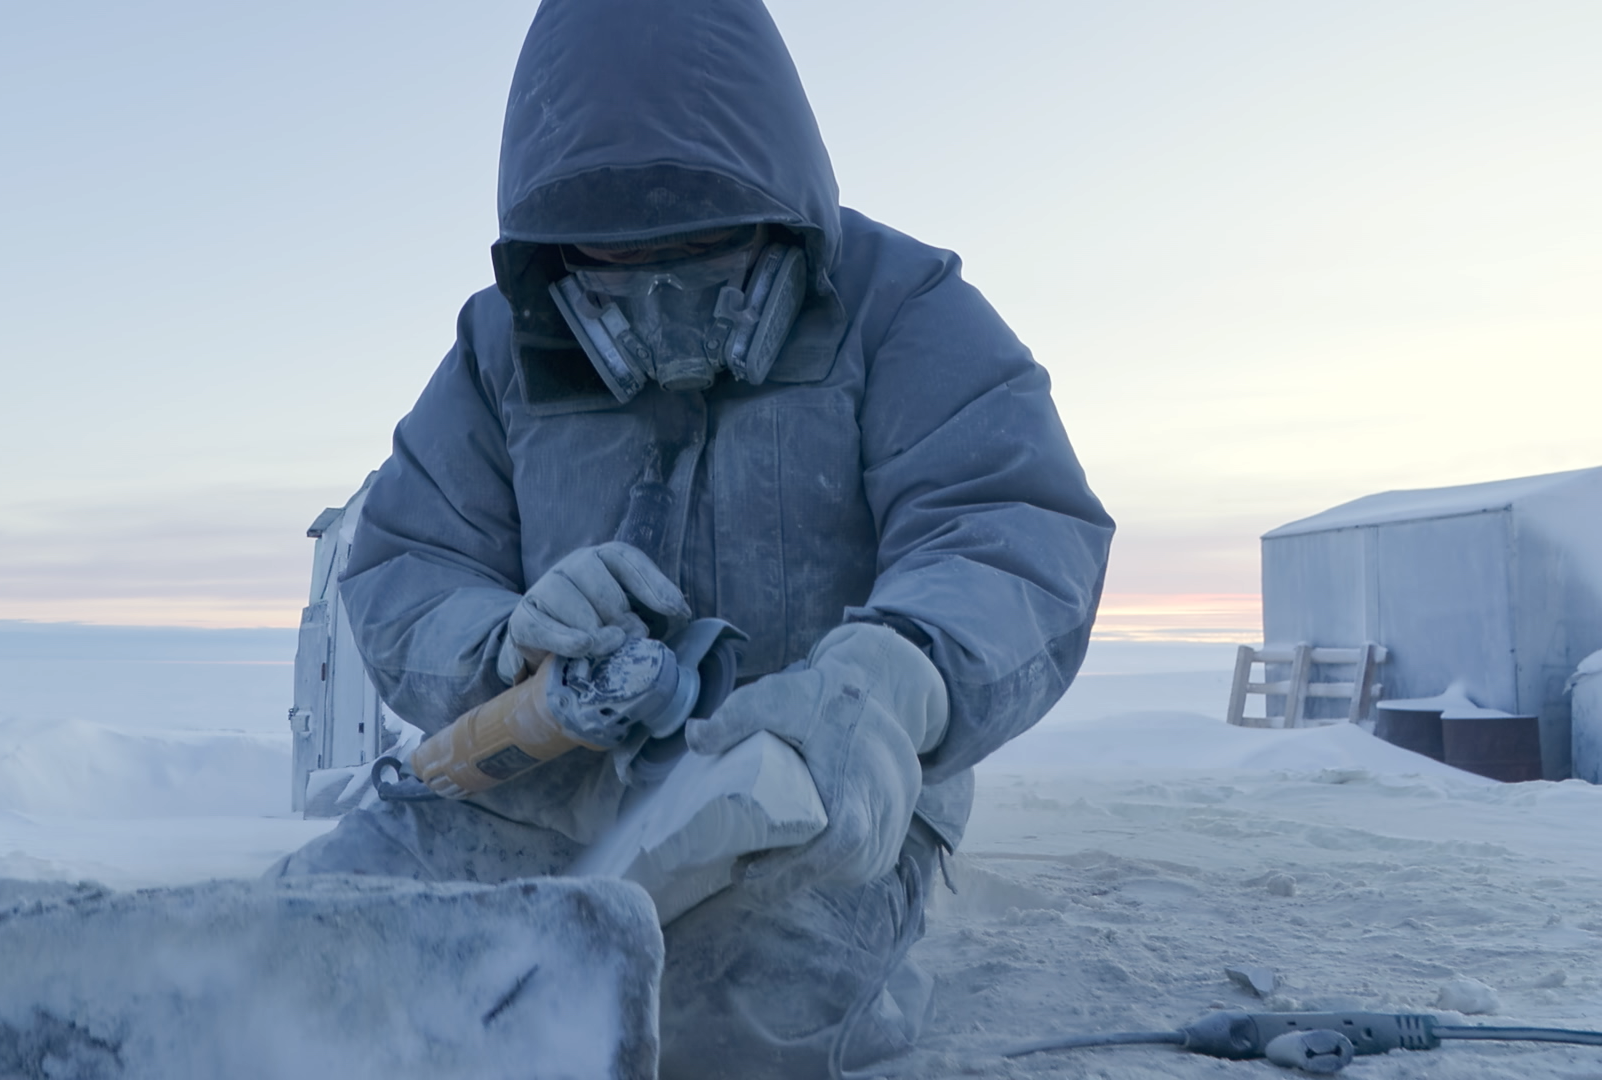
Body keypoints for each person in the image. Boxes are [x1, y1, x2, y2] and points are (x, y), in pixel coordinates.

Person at [268, 1, 1113, 1075]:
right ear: (552, 243)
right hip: (546, 798)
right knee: (317, 948)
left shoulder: (903, 309)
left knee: (707, 1026)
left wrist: (901, 674)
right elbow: (404, 559)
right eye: (616, 258)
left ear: (781, 204)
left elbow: (1011, 522)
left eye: (705, 245)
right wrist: (501, 647)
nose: (658, 294)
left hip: (816, 815)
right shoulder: (499, 344)